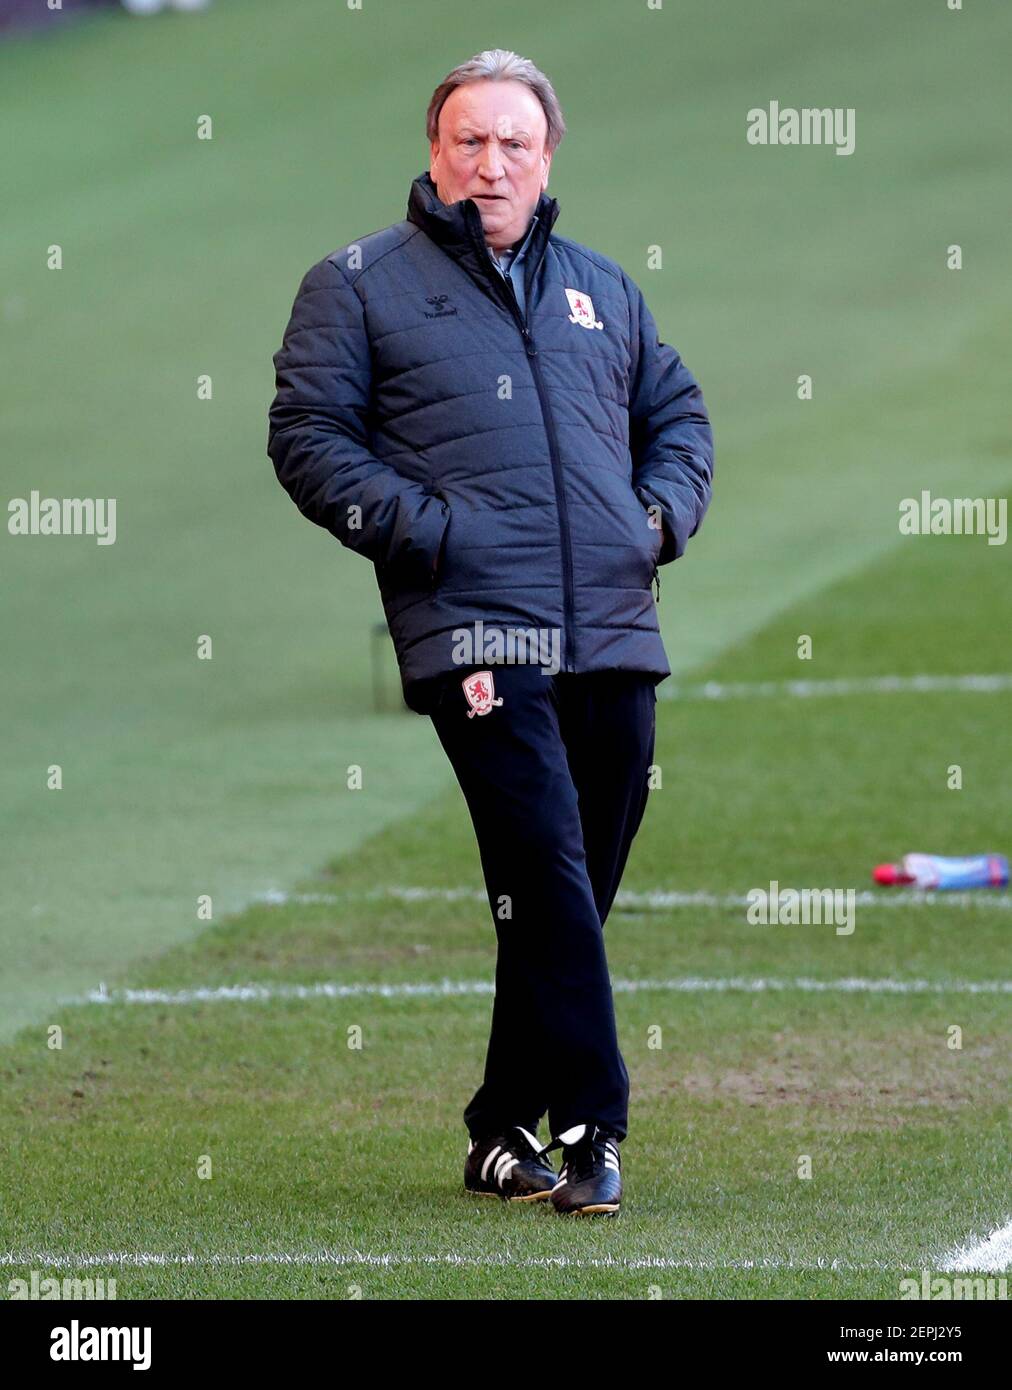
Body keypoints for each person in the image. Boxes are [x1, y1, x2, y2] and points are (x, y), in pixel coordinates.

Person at [268, 48, 713, 1217]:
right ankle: (591, 1126)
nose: (491, 163)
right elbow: (308, 438)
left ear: (547, 156)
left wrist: (654, 519)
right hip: (475, 630)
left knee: (569, 880)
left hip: (613, 625)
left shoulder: (604, 289)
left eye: (514, 142)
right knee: (548, 867)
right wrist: (429, 535)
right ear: (433, 151)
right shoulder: (357, 283)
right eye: (470, 140)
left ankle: (496, 1127)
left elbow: (676, 414)